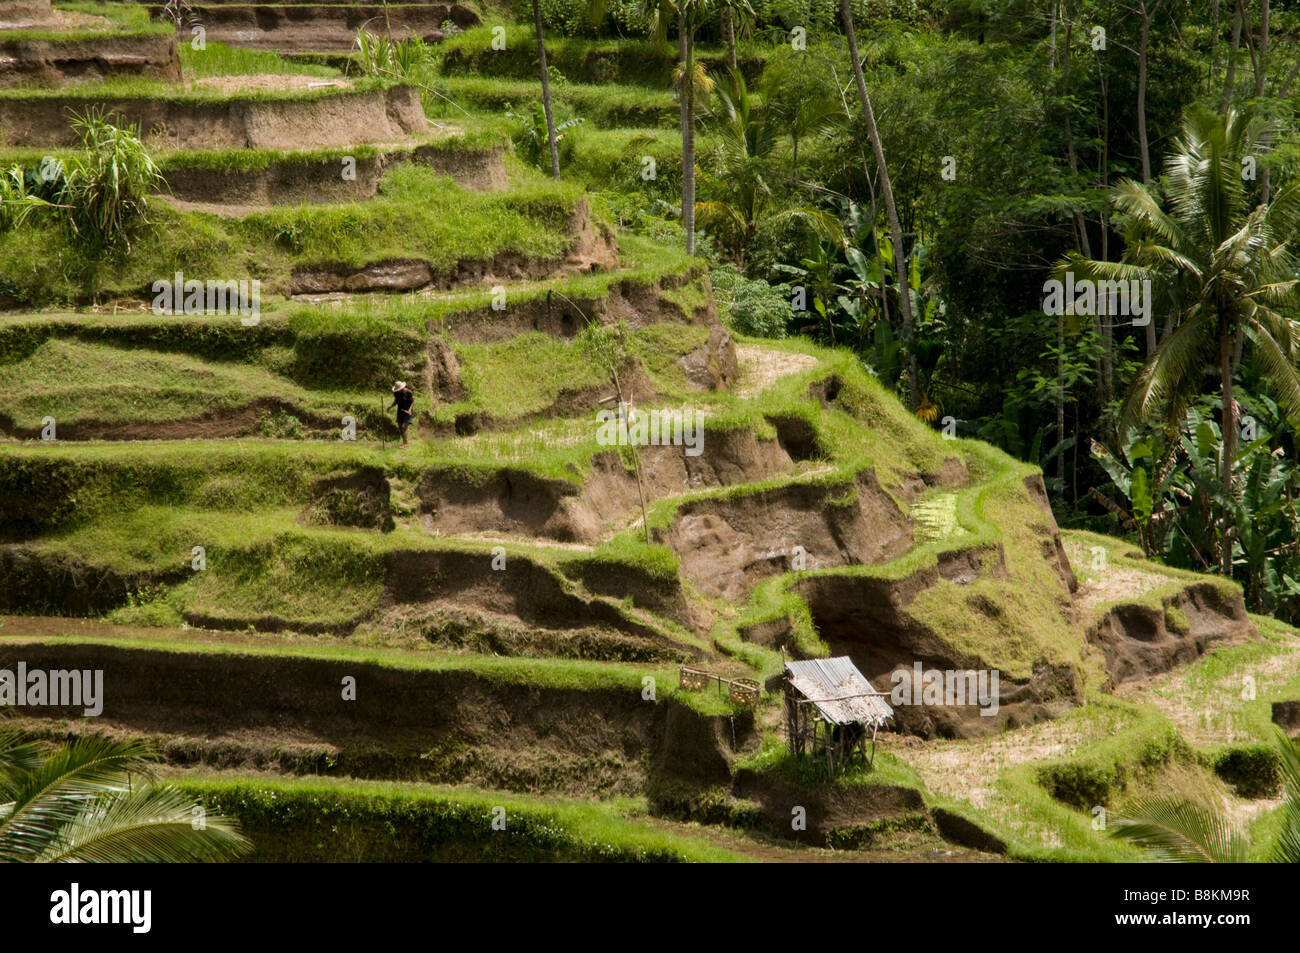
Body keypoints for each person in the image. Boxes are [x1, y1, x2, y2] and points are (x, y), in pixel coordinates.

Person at [388, 381, 415, 448]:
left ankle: (405, 443)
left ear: (402, 387)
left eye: (399, 389)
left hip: (407, 412)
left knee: (404, 427)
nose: (398, 391)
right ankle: (405, 441)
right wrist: (390, 406)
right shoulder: (396, 393)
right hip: (400, 411)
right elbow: (396, 401)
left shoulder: (409, 392)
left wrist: (410, 409)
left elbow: (412, 401)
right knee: (400, 427)